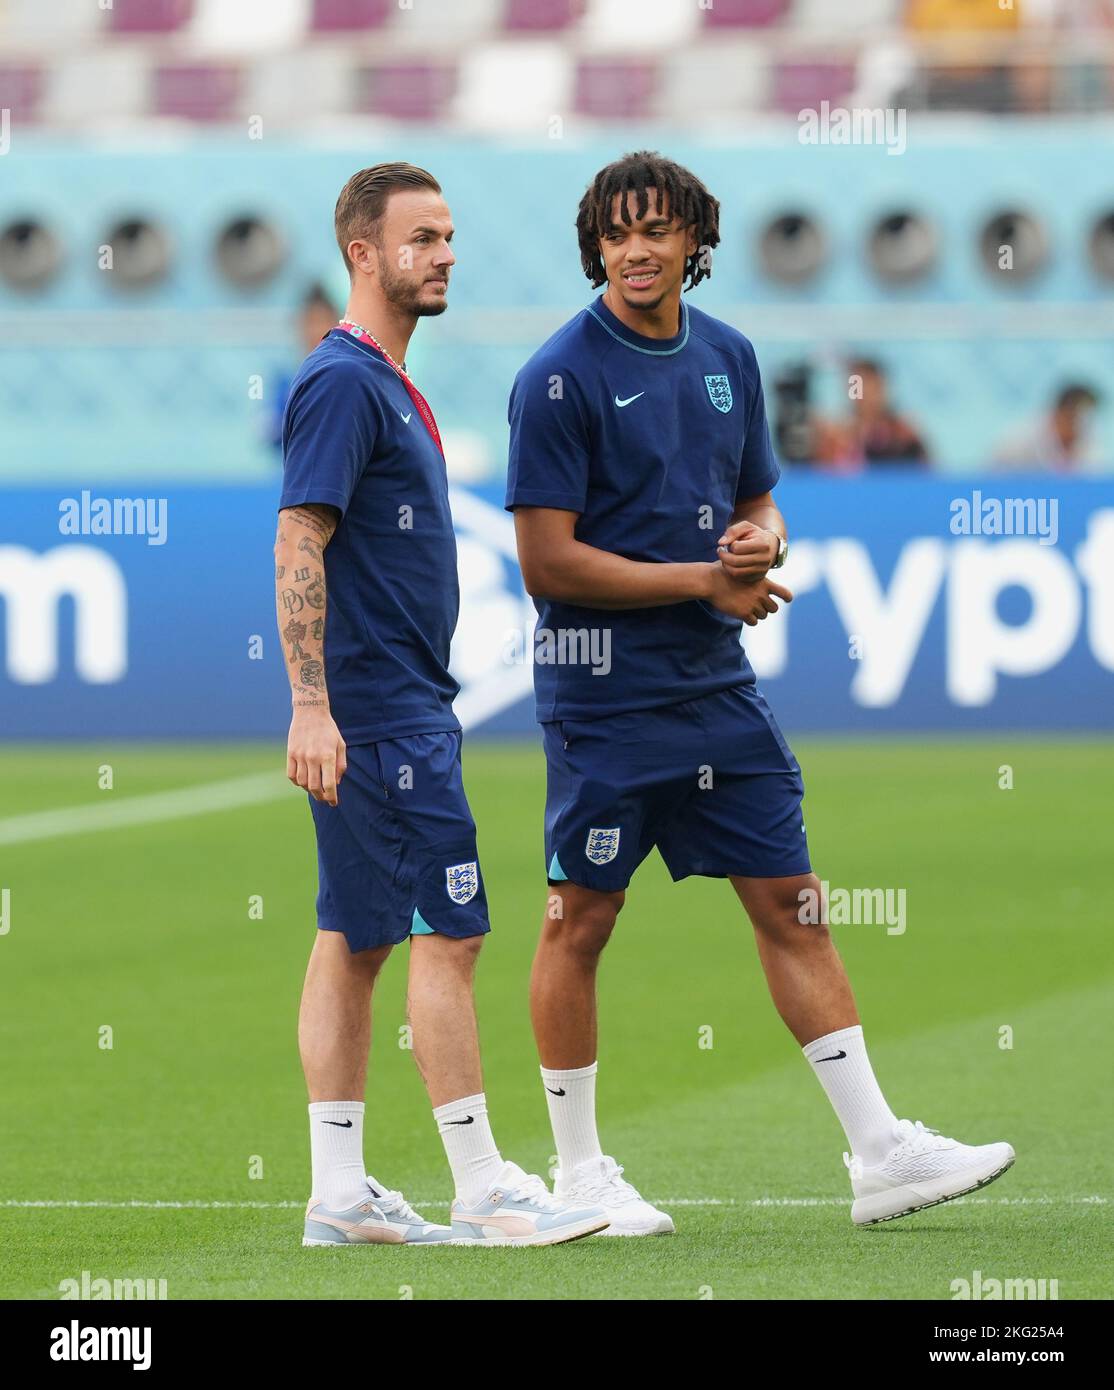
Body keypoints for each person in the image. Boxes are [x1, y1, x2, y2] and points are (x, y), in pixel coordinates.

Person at [505, 149, 1014, 1234]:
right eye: (616, 231)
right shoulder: (557, 377)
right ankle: (579, 1175)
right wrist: (704, 578)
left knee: (794, 903)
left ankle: (878, 1152)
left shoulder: (729, 355)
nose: (636, 250)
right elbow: (545, 563)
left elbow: (761, 502)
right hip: (604, 701)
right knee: (579, 922)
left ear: (695, 239)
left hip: (714, 690)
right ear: (594, 243)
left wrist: (756, 539)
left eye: (657, 229)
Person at [276, 161, 607, 1248]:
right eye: (422, 237)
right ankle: (481, 1183)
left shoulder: (383, 380)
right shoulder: (343, 382)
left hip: (389, 703)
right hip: (383, 712)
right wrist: (311, 704)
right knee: (450, 934)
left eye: (451, 235)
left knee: (355, 935)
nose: (445, 253)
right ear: (363, 255)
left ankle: (338, 1188)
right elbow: (299, 536)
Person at [267, 283, 340, 450]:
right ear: (299, 327)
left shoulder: (352, 378)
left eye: (323, 321)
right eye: (310, 322)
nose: (316, 331)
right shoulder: (284, 381)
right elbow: (269, 432)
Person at [994, 382, 1103, 472]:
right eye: (1077, 418)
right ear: (1061, 414)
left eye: (1088, 420)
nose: (1082, 427)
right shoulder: (1018, 443)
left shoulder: (1089, 453)